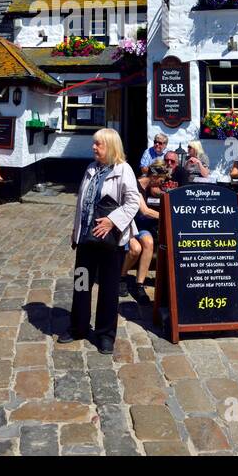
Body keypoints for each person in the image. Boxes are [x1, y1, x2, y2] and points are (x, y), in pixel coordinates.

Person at [64, 128, 141, 355]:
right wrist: (75, 230)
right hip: (86, 239)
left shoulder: (123, 170)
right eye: (94, 143)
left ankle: (106, 334)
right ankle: (78, 326)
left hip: (110, 242)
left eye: (99, 144)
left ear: (111, 146)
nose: (94, 147)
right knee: (81, 283)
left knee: (108, 288)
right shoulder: (90, 169)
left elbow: (132, 202)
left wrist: (111, 221)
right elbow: (82, 203)